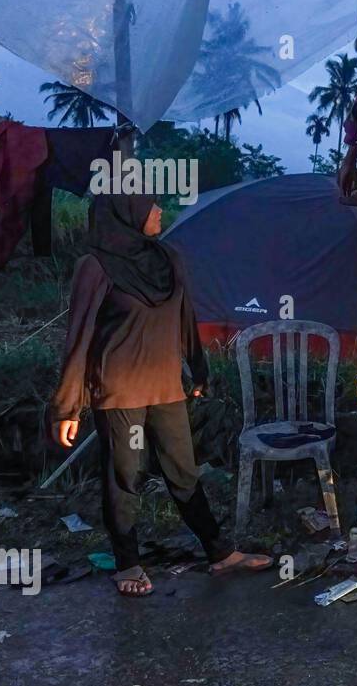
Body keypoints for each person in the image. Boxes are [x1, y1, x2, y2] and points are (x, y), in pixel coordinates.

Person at [50, 192, 272, 596]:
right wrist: (69, 407)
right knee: (125, 478)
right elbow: (79, 336)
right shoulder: (96, 266)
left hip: (166, 384)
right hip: (118, 390)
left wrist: (198, 368)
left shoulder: (167, 258)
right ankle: (127, 564)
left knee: (184, 472)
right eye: (150, 207)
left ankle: (219, 553)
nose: (159, 212)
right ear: (126, 214)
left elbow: (185, 316)